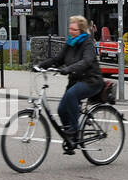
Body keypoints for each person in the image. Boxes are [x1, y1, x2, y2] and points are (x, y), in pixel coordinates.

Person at [35, 16, 103, 153]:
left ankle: (75, 129)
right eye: (70, 29)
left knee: (72, 94)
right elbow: (58, 59)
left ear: (81, 30)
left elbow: (86, 61)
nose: (71, 31)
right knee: (61, 110)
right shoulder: (70, 43)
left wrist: (68, 69)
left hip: (91, 80)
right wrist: (40, 65)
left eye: (74, 29)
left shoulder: (87, 42)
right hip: (76, 81)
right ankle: (70, 140)